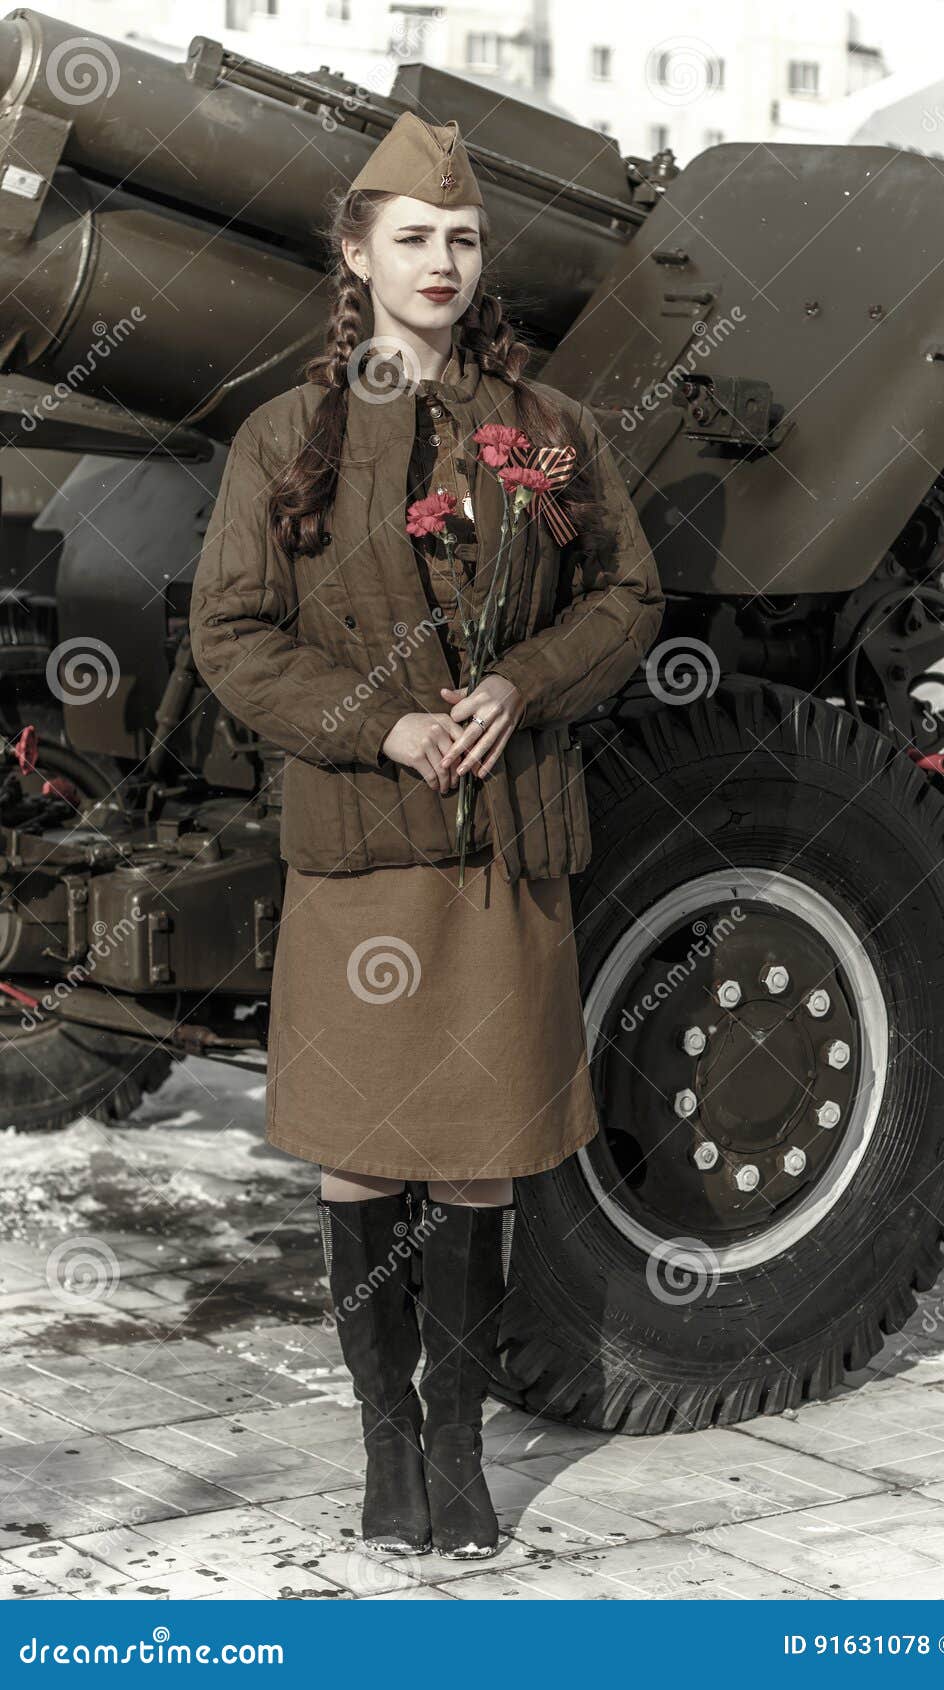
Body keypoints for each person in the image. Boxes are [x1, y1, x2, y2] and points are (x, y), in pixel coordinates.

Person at [188, 111, 664, 1562]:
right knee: (358, 1157)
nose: (442, 261)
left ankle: (457, 1443)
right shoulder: (286, 436)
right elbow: (230, 632)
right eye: (412, 238)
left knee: (474, 1157)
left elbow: (628, 596)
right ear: (357, 254)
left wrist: (525, 684)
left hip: (503, 845)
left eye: (462, 239)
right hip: (361, 847)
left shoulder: (547, 431)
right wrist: (380, 724)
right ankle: (385, 1444)